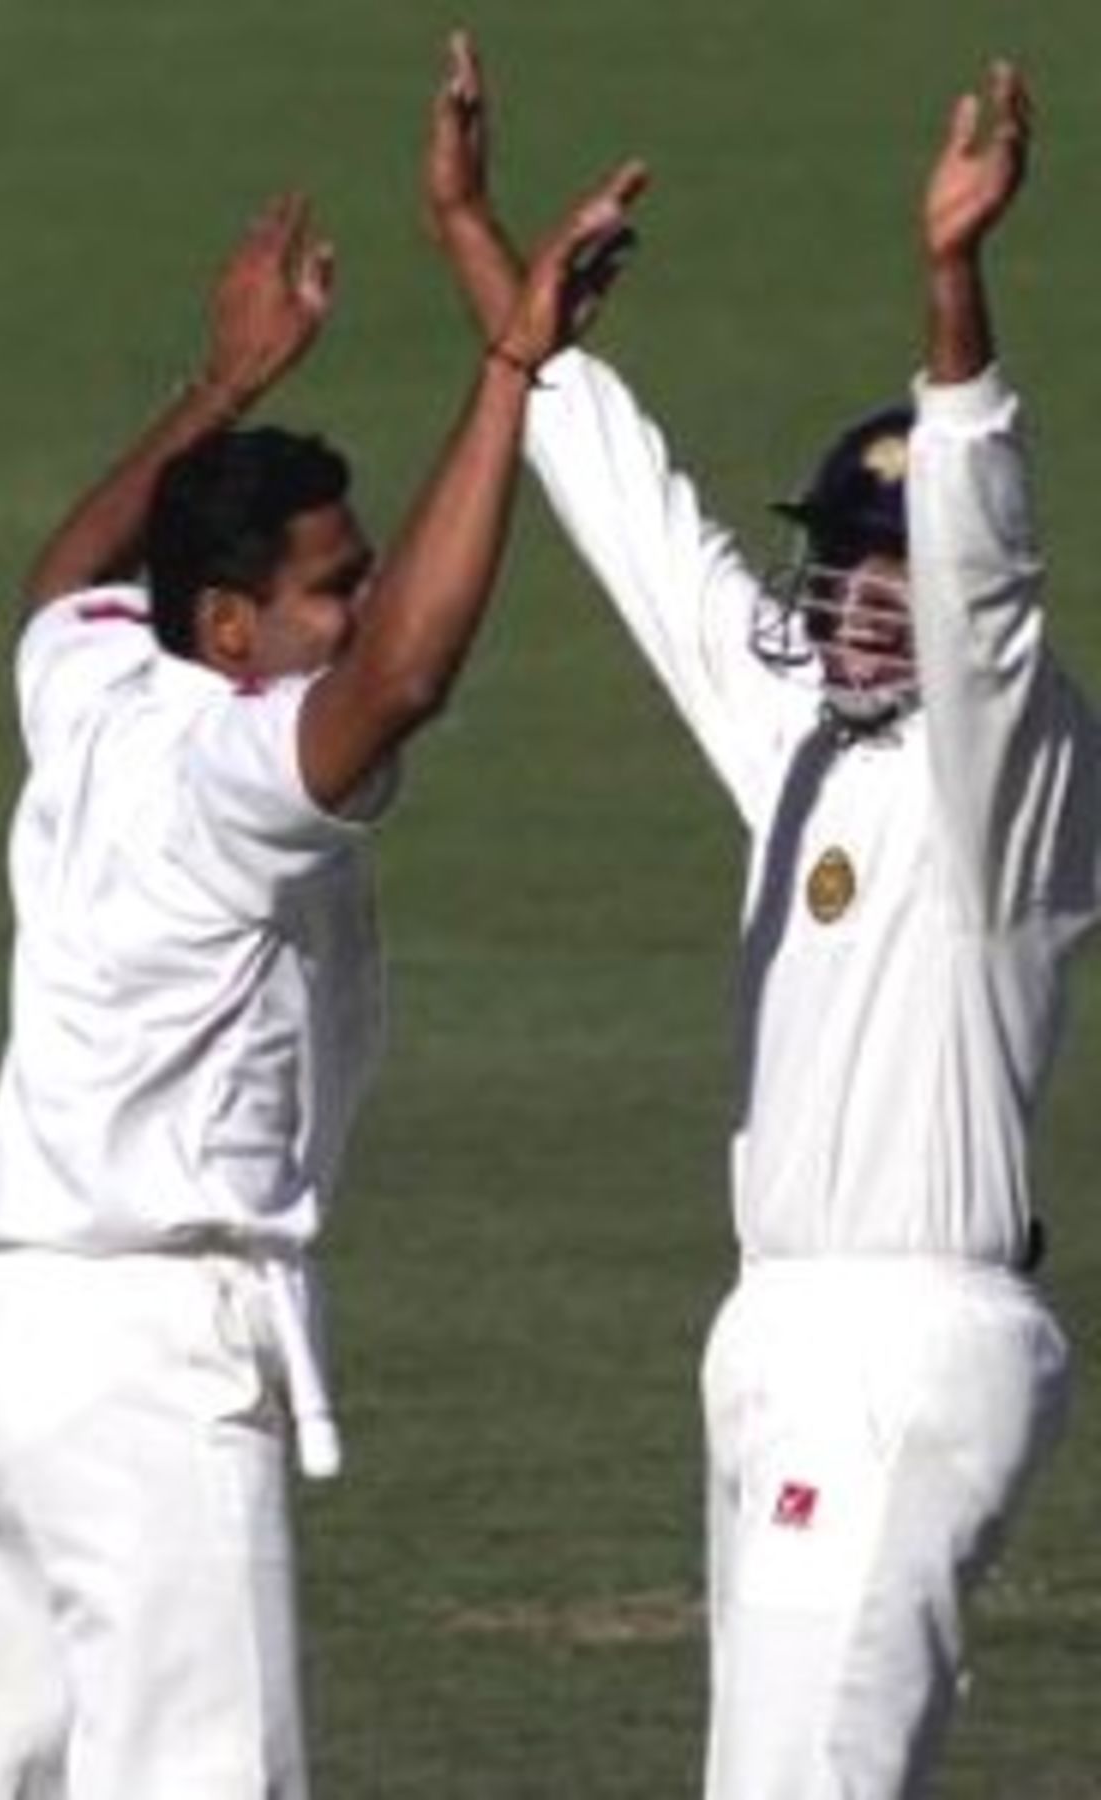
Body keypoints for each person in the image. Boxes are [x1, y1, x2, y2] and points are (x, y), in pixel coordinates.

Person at [427, 37, 1101, 1797]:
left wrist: (952, 287)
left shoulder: (1007, 777)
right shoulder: (804, 736)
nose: (861, 609)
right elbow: (641, 527)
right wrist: (480, 248)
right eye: (845, 572)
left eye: (893, 578)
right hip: (782, 1335)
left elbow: (989, 568)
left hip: (902, 1343)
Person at [0, 161, 645, 1798]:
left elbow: (60, 581)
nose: (364, 605)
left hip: (1, 1335)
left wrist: (225, 385)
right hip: (147, 1352)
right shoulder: (228, 778)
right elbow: (408, 679)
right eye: (334, 585)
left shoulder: (96, 684)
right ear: (231, 630)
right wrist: (510, 372)